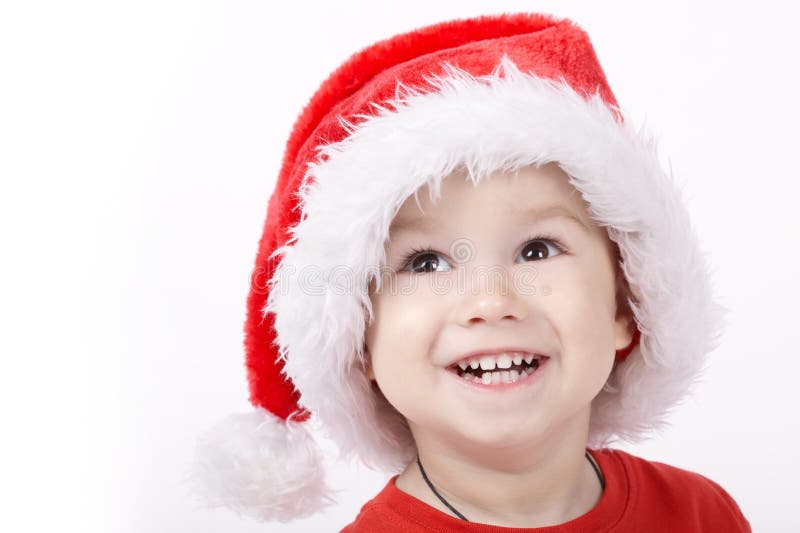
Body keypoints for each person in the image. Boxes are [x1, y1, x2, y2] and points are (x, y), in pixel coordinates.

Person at [188, 12, 752, 531]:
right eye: (425, 262)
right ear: (358, 341)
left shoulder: (702, 515)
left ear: (626, 306)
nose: (491, 300)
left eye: (537, 249)